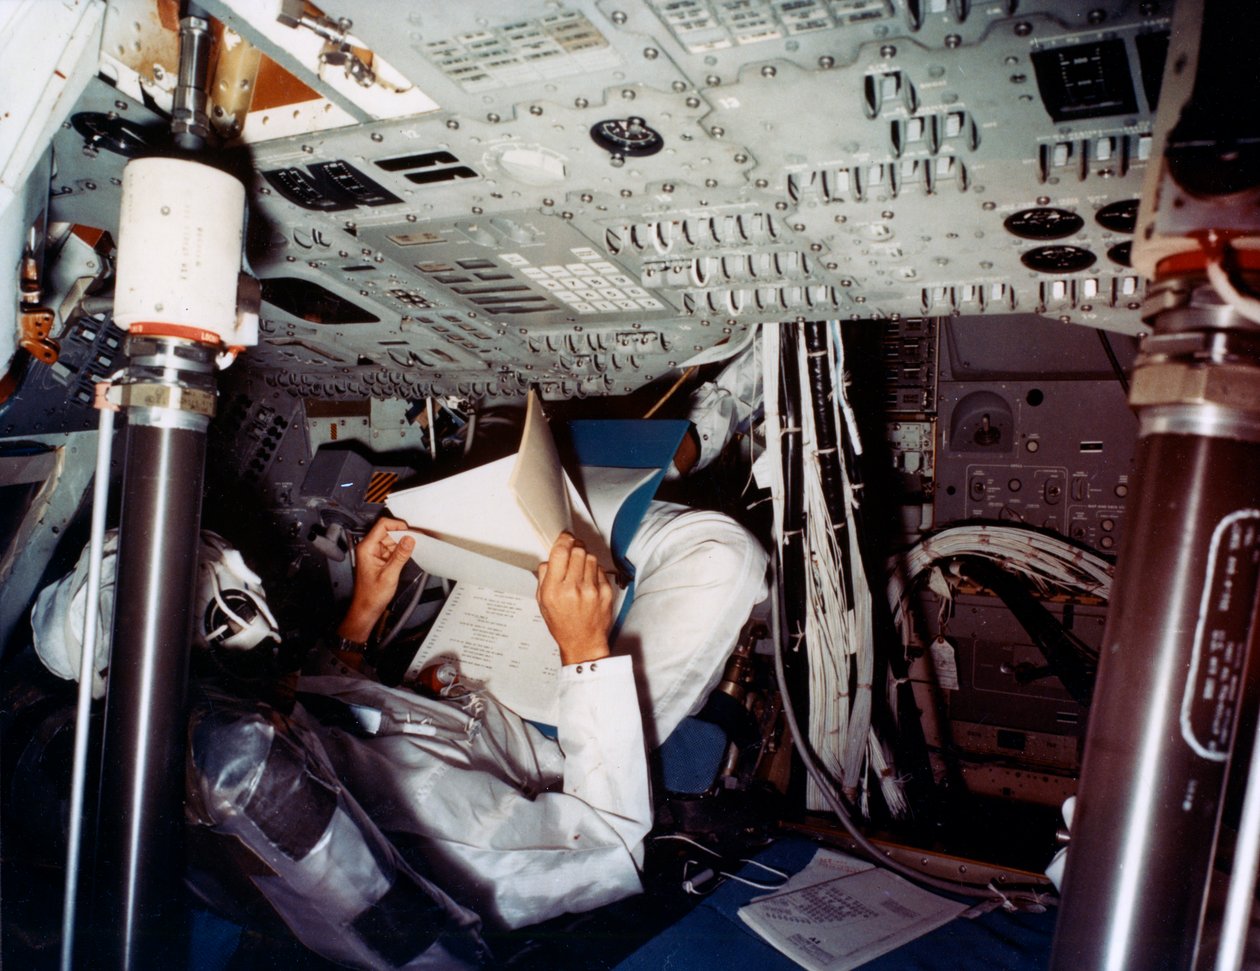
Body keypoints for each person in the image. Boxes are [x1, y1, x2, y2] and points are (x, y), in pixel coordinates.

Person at [297, 501, 768, 930]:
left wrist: (361, 618)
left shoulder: (266, 731)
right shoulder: (463, 858)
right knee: (718, 549)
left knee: (523, 517)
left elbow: (319, 710)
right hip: (566, 753)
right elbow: (607, 847)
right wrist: (584, 650)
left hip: (467, 698)